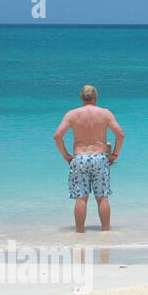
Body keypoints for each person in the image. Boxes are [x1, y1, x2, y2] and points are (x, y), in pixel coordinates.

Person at [53, 84, 124, 233]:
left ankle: (80, 233)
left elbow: (57, 135)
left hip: (80, 158)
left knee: (81, 198)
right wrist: (114, 155)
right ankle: (105, 232)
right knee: (102, 197)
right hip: (100, 157)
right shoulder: (105, 113)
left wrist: (66, 155)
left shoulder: (72, 114)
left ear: (81, 98)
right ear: (96, 97)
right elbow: (120, 134)